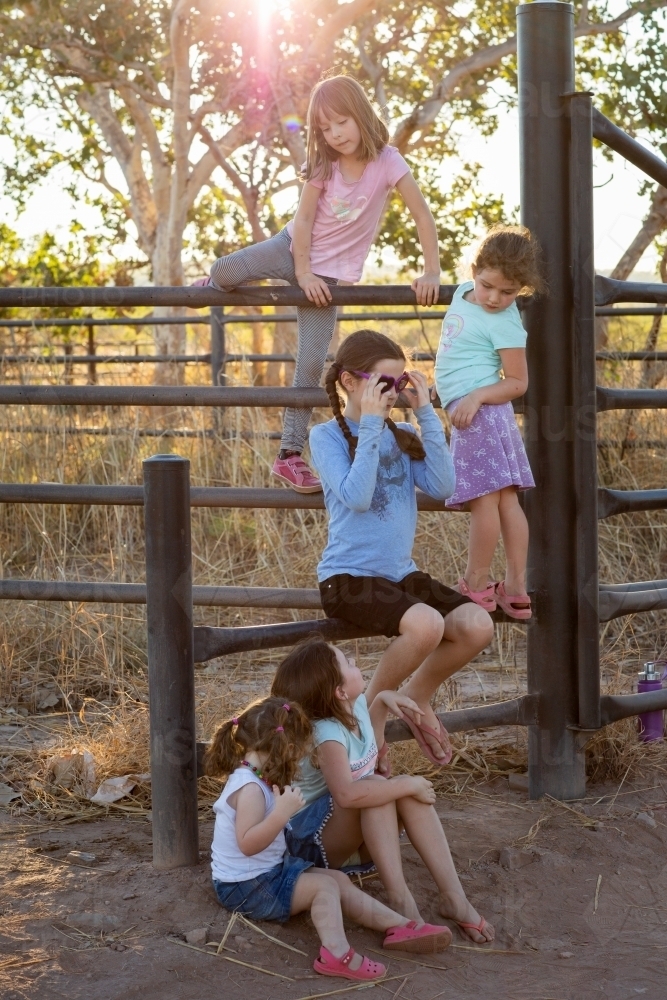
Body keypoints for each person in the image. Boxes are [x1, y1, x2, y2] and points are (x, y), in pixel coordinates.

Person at [195, 75, 441, 494]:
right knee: (226, 273)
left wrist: (431, 270)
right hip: (290, 248)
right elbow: (304, 221)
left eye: (341, 122)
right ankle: (212, 278)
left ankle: (288, 455)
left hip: (327, 280)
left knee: (310, 366)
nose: (334, 134)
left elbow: (422, 215)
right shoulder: (323, 164)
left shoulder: (388, 161)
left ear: (361, 114)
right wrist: (302, 272)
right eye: (324, 129)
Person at [309, 328, 494, 766]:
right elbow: (356, 496)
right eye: (383, 384)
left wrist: (426, 413)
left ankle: (416, 695)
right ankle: (368, 713)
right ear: (350, 382)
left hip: (398, 576)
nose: (393, 393)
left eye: (399, 383)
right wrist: (371, 424)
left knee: (477, 624)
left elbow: (444, 485)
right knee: (428, 625)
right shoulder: (326, 437)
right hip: (347, 579)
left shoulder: (402, 432)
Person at [203, 696, 453, 982]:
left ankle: (401, 926)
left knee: (337, 880)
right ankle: (337, 954)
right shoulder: (249, 789)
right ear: (283, 746)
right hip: (246, 887)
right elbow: (247, 843)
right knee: (323, 888)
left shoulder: (257, 778)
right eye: (297, 751)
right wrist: (281, 814)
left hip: (266, 873)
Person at [271, 640, 494, 943]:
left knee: (396, 791)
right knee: (383, 787)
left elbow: (369, 752)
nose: (354, 660)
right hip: (311, 844)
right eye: (346, 663)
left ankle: (454, 897)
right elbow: (347, 796)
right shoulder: (326, 735)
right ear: (339, 692)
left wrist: (383, 702)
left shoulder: (358, 704)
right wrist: (403, 783)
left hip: (355, 835)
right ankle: (401, 902)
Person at [433, 225, 545, 619]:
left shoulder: (506, 322)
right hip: (482, 414)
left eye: (509, 292)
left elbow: (518, 382)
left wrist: (477, 395)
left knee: (485, 502)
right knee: (505, 499)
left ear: (522, 289)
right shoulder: (463, 293)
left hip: (479, 414)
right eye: (488, 286)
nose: (496, 298)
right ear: (474, 270)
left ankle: (476, 585)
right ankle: (515, 589)